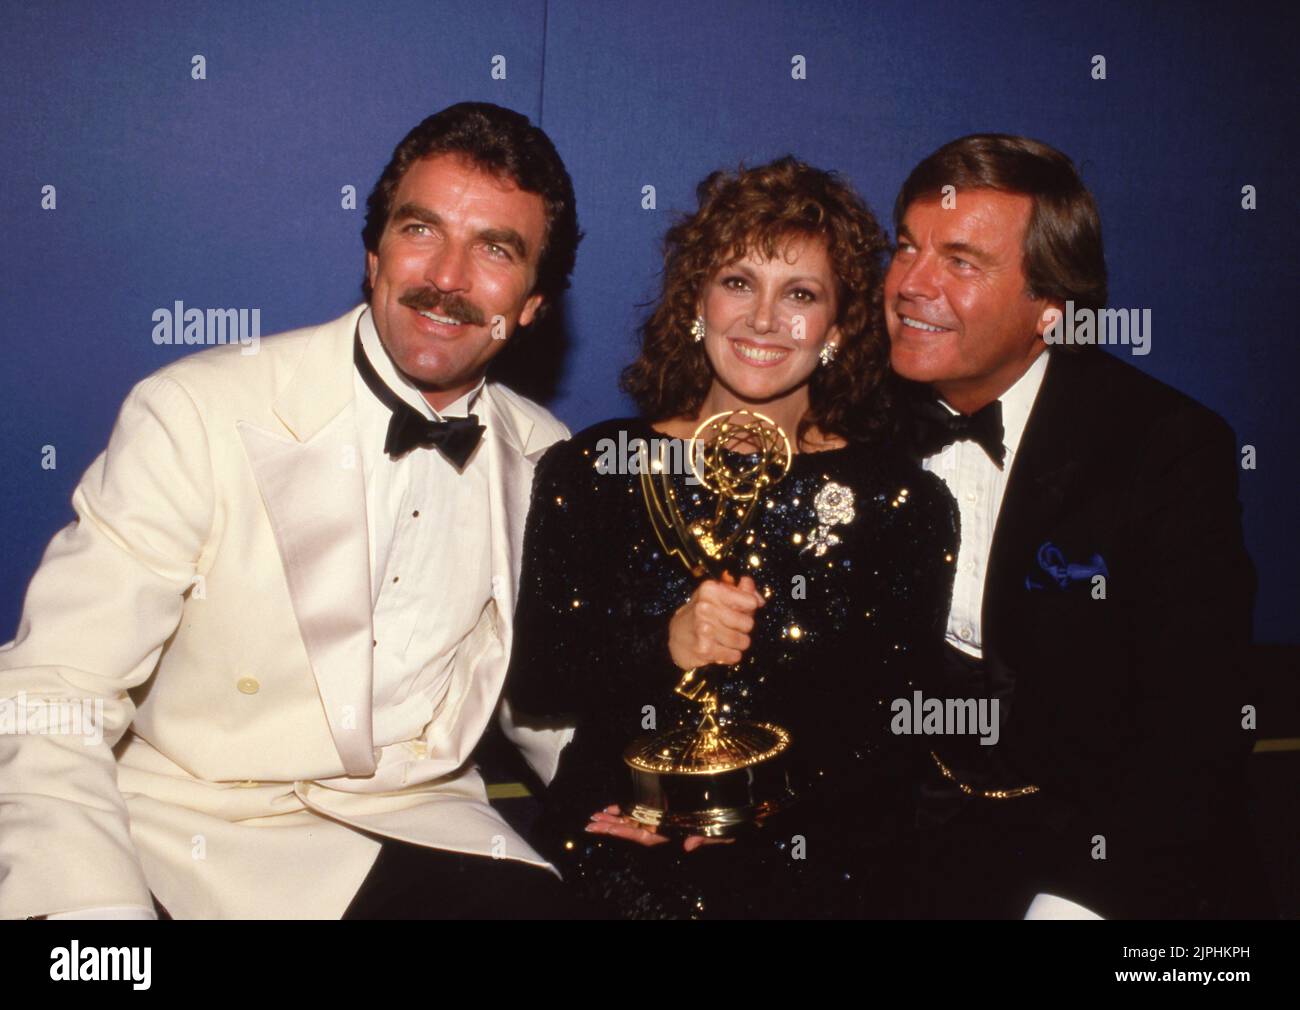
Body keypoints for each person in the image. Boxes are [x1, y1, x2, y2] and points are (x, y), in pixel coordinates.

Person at [0, 102, 583, 919]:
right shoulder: (196, 412)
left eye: (495, 250)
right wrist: (93, 926)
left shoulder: (548, 457)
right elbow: (54, 688)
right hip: (187, 826)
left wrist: (630, 798)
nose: (448, 278)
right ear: (374, 255)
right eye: (421, 231)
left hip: (415, 820)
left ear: (531, 304)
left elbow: (545, 693)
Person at [506, 156, 959, 918]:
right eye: (739, 282)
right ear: (696, 304)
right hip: (617, 837)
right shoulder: (596, 468)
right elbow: (541, 679)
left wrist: (762, 819)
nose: (762, 319)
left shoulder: (902, 503)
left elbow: (893, 732)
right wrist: (666, 643)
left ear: (840, 327)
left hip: (811, 854)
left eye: (801, 295)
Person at [886, 133, 1265, 919]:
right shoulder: (860, 418)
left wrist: (1081, 900)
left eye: (960, 261)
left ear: (1051, 310)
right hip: (912, 833)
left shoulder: (1164, 447)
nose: (910, 286)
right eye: (905, 249)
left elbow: (1193, 723)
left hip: (1107, 844)